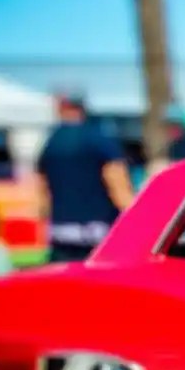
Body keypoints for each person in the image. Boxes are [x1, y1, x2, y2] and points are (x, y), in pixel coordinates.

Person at [35, 91, 135, 263]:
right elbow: (117, 183)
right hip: (97, 231)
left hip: (60, 232)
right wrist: (133, 217)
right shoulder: (98, 138)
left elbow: (42, 189)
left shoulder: (50, 142)